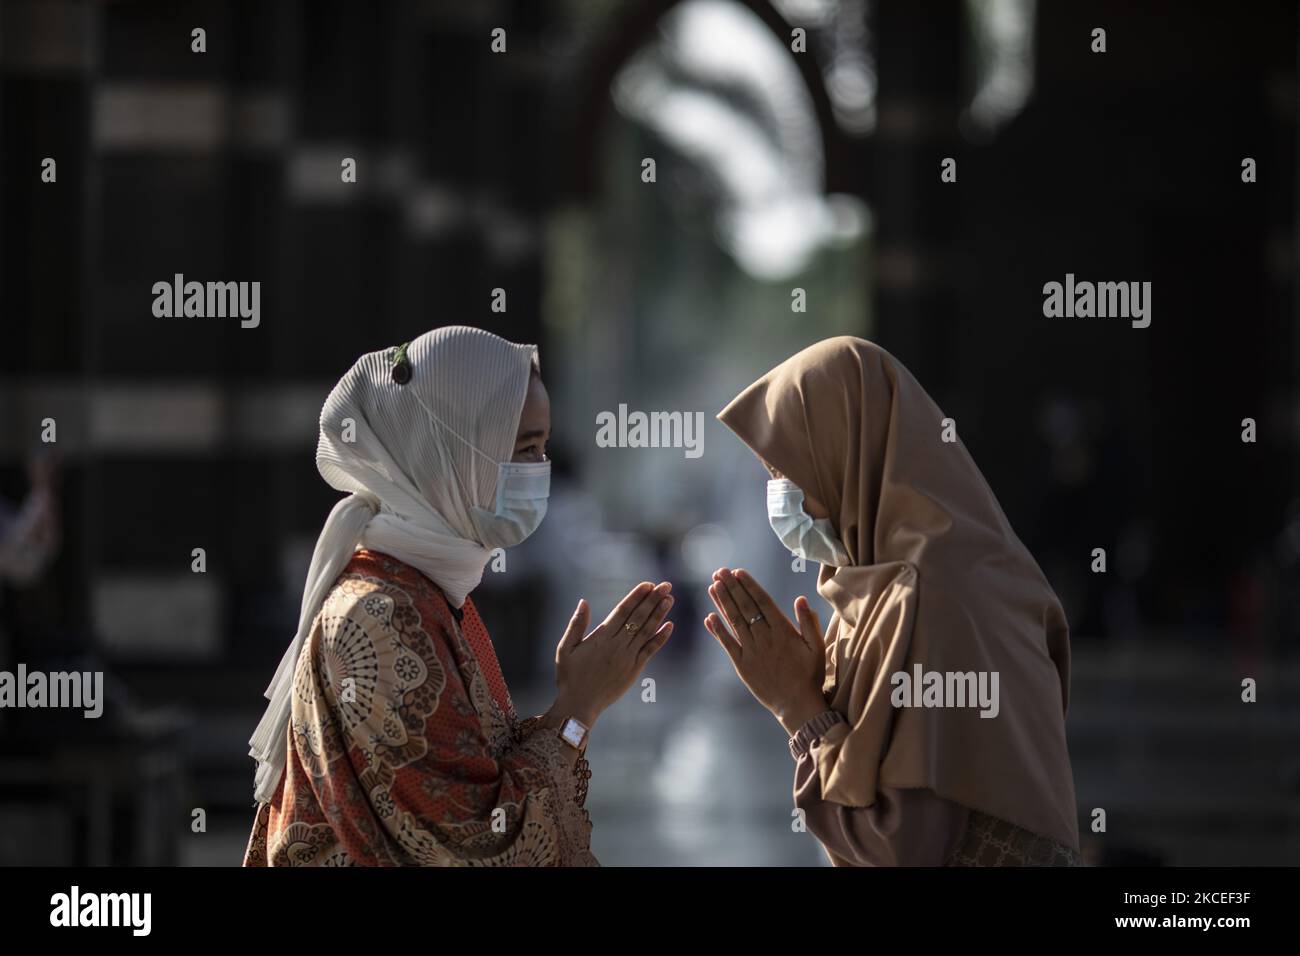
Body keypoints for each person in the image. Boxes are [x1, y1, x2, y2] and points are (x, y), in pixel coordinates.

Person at [243, 326, 673, 866]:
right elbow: (481, 844)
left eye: (543, 448)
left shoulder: (424, 589)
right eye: (524, 448)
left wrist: (573, 701)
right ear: (452, 451)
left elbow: (465, 776)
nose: (538, 471)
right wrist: (577, 709)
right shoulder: (379, 615)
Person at [704, 336, 1082, 866]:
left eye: (787, 472)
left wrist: (799, 707)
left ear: (848, 453)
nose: (780, 495)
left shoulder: (938, 597)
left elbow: (905, 844)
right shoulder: (897, 581)